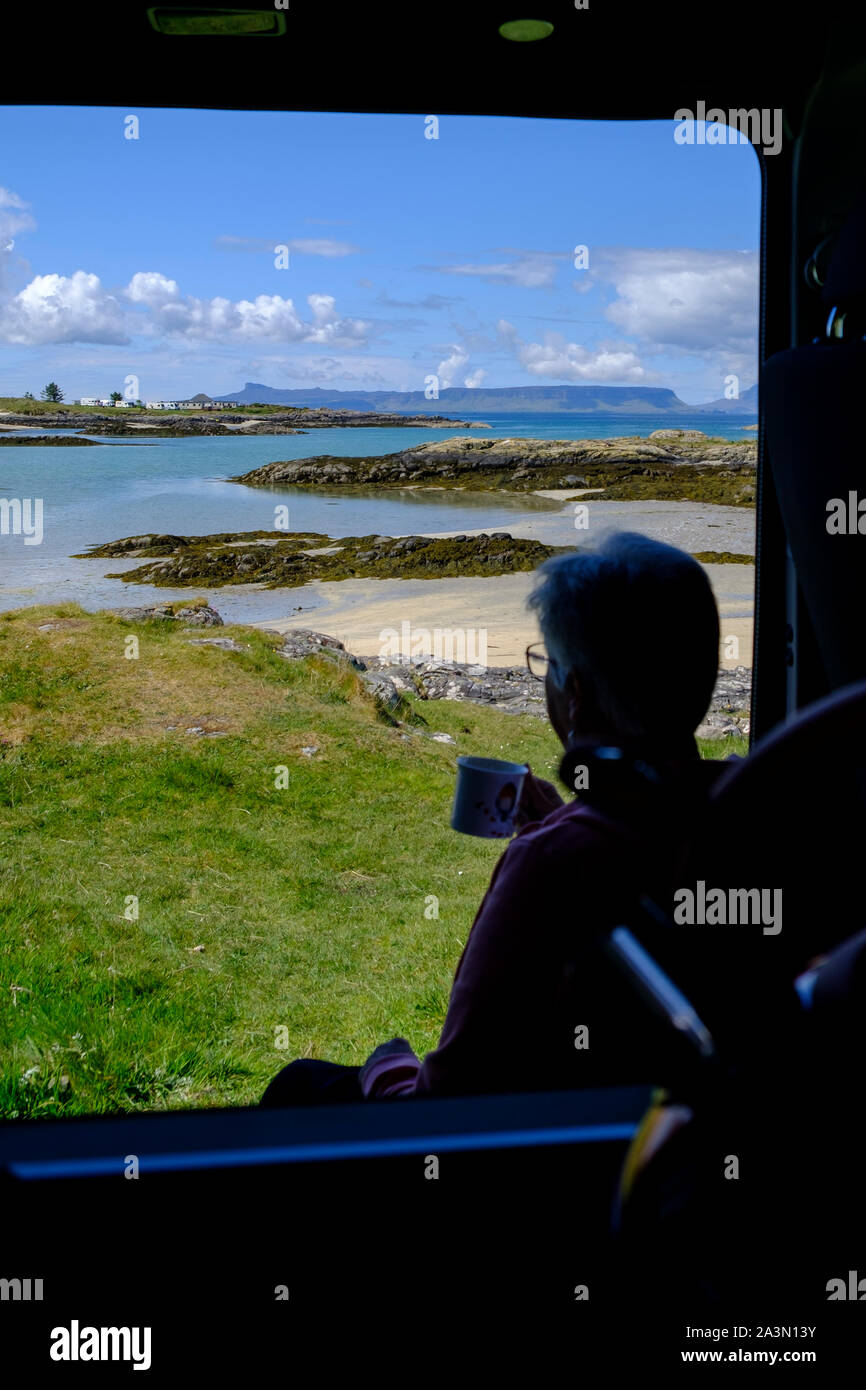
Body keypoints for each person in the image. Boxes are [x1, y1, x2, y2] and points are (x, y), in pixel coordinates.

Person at [261, 530, 724, 1108]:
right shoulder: (750, 811)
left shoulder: (550, 865)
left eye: (547, 665)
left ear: (574, 694)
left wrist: (387, 1067)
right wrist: (558, 824)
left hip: (531, 1154)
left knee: (297, 1085)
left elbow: (447, 1104)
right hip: (658, 1126)